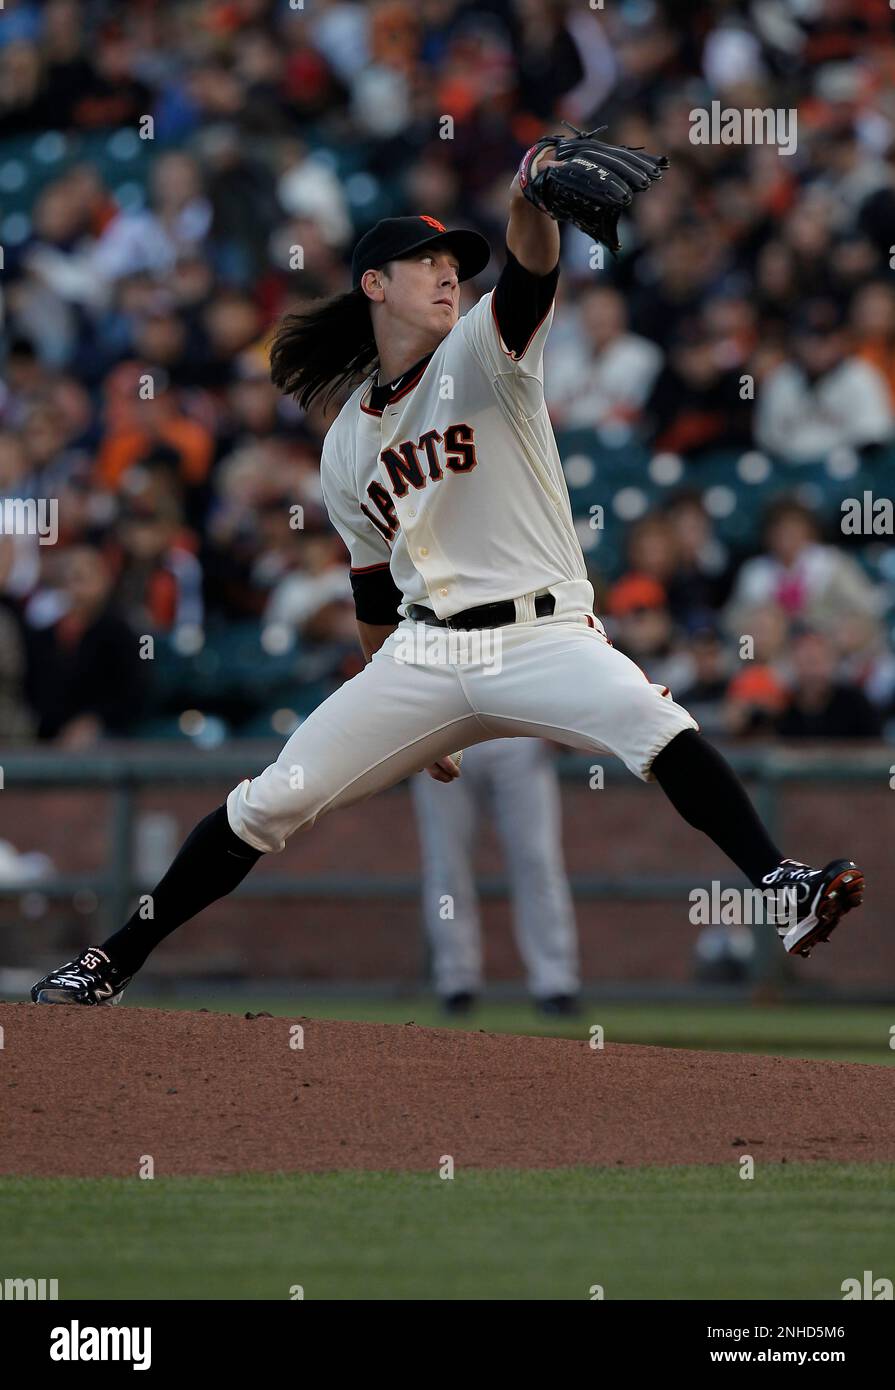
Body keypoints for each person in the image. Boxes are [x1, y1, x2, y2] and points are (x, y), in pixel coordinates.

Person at [30, 140, 864, 1006]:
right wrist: (404, 709)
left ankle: (783, 887)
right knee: (272, 799)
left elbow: (532, 269)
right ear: (373, 285)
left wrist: (529, 196)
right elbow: (369, 594)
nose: (445, 275)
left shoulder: (483, 352)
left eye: (453, 264)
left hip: (543, 636)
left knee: (655, 728)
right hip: (424, 657)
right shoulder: (347, 440)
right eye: (422, 262)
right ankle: (111, 962)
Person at [410, 738, 579, 1015]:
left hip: (516, 725)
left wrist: (554, 719)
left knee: (537, 861)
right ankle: (456, 983)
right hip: (447, 727)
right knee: (446, 866)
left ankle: (556, 984)